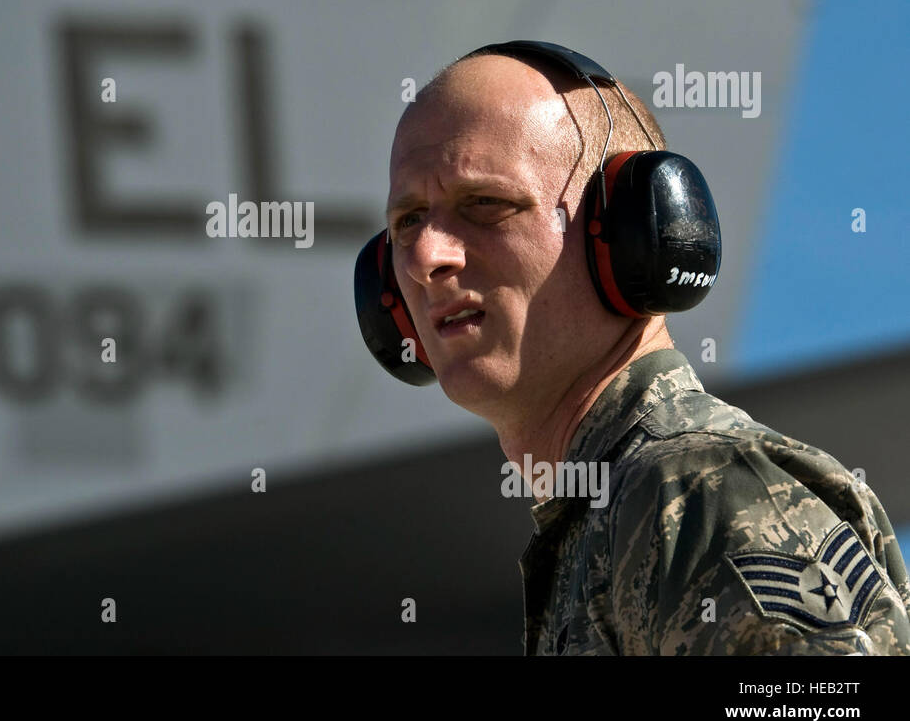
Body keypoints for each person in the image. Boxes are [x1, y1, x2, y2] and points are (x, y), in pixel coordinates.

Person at [383, 44, 910, 654]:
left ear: (632, 237)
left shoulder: (695, 491)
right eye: (408, 221)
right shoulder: (609, 517)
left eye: (487, 205)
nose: (426, 258)